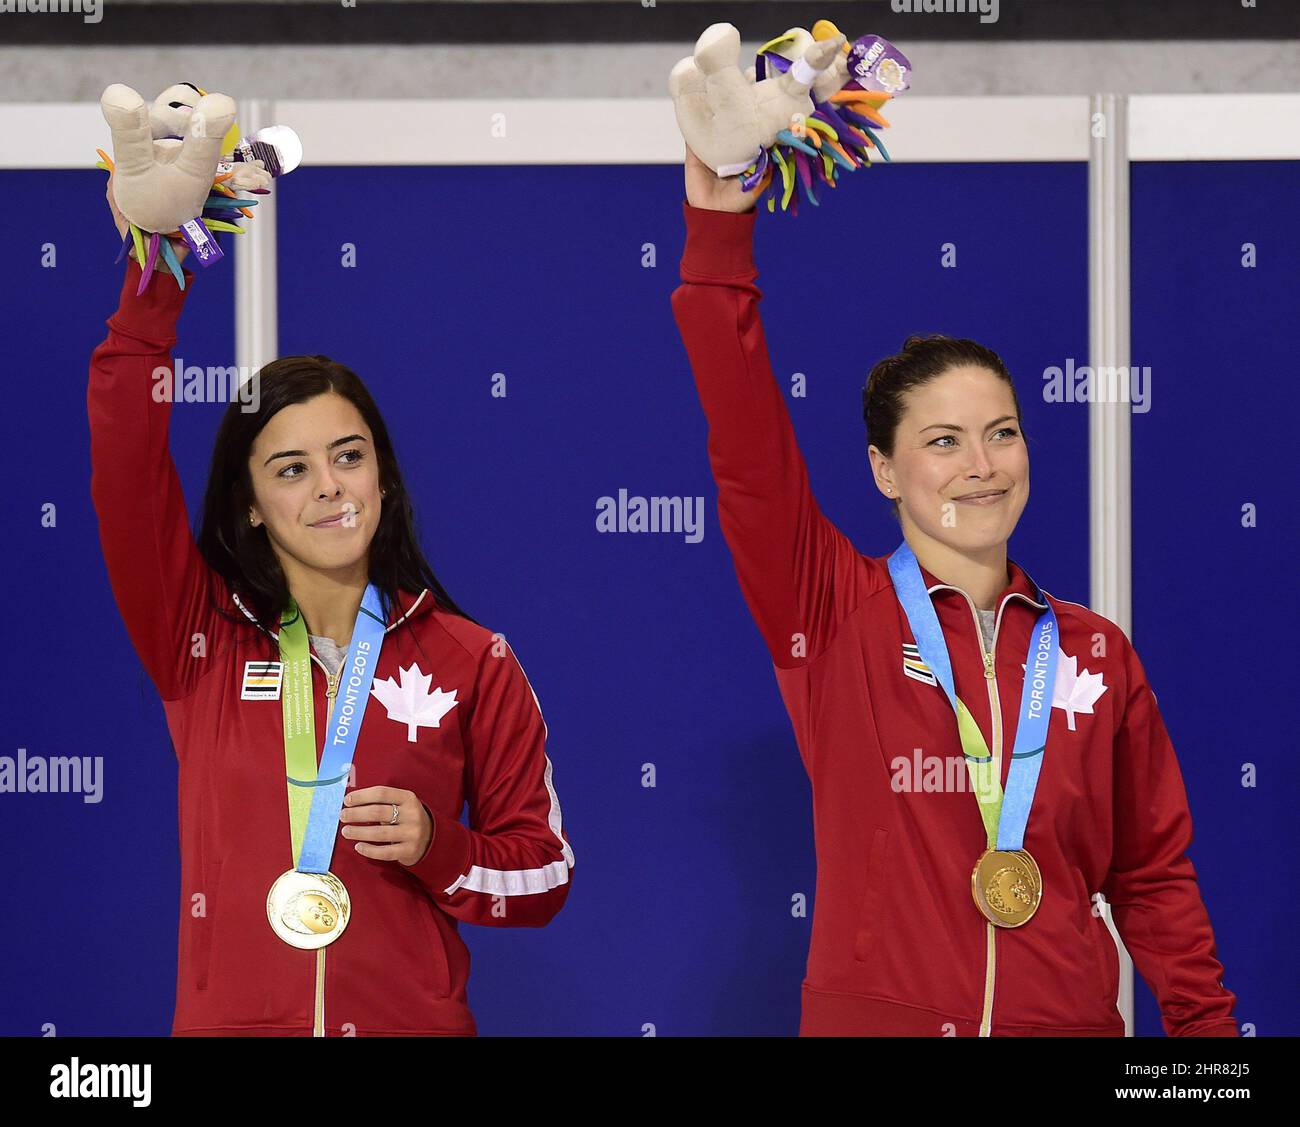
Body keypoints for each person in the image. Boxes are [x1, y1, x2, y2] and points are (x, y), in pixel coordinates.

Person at [670, 145, 1237, 1037]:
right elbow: (747, 447)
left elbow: (1152, 875)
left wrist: (1207, 1051)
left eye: (1002, 432)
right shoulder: (833, 612)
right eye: (943, 441)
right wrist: (718, 238)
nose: (981, 466)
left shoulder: (1093, 651)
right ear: (884, 470)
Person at [89, 178, 574, 1037]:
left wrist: (439, 846)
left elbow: (541, 878)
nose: (329, 488)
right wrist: (155, 278)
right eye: (290, 469)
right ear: (247, 501)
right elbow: (127, 467)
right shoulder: (198, 639)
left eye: (348, 457)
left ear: (380, 475)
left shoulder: (471, 659)